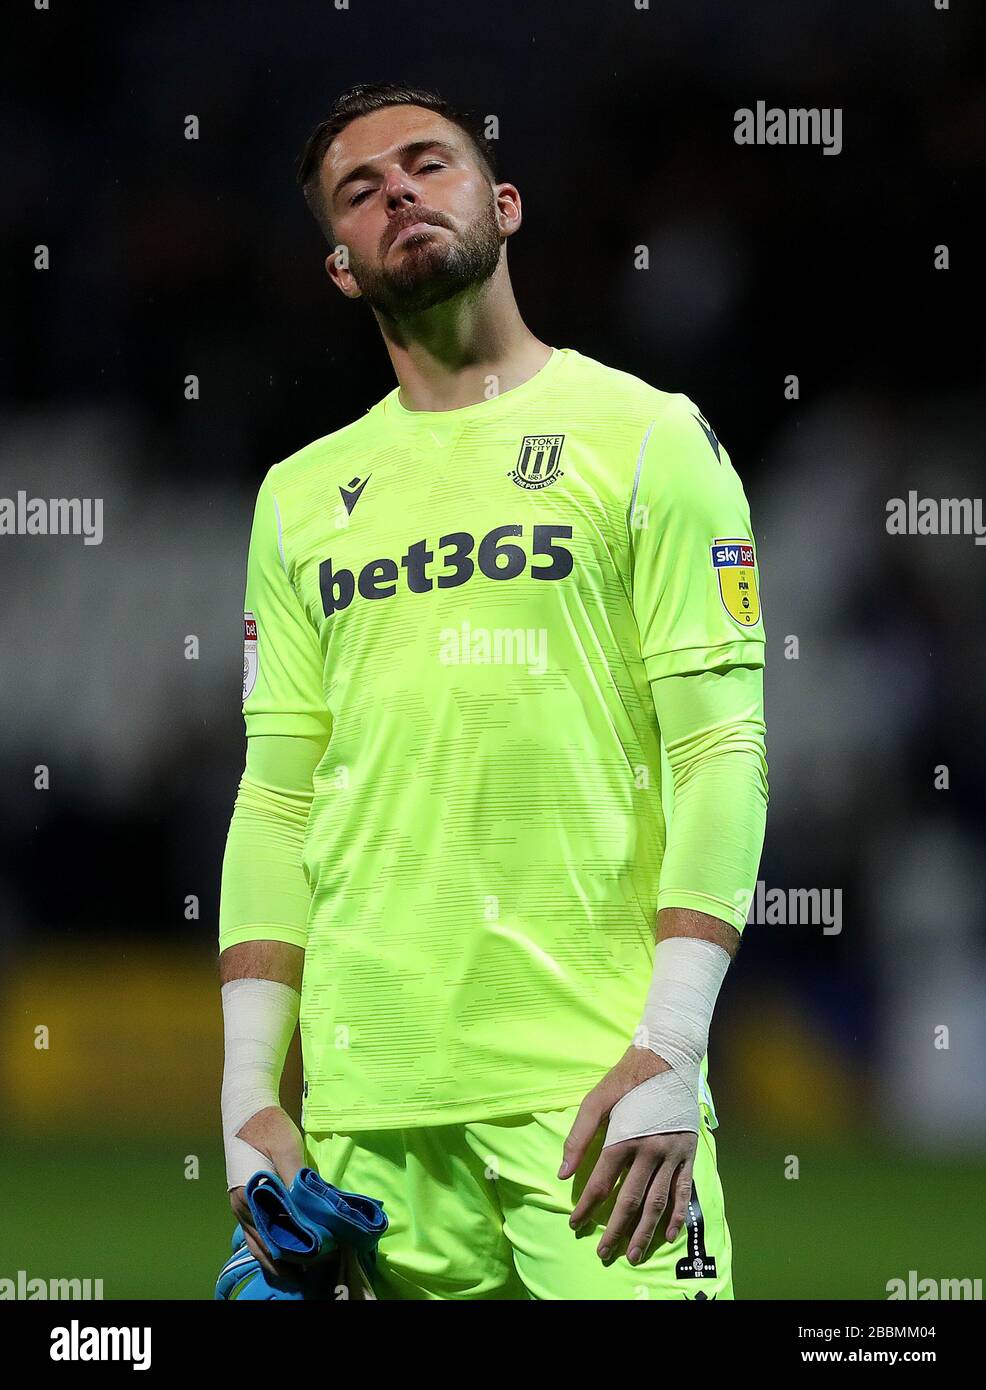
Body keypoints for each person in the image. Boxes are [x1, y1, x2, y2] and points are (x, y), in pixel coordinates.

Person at [218, 81, 768, 1300]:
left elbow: (718, 748)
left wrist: (671, 1045)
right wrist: (247, 1091)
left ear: (503, 203)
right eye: (358, 192)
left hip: (592, 1096)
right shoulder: (300, 497)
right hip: (369, 1117)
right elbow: (275, 799)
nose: (397, 192)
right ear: (341, 270)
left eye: (428, 164)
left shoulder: (646, 437)